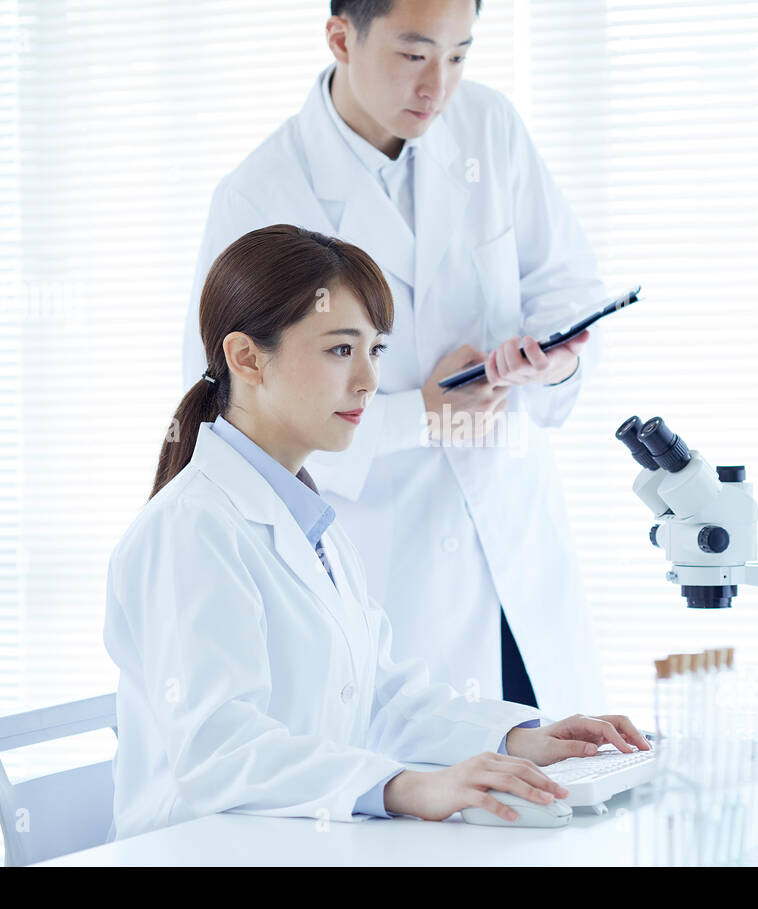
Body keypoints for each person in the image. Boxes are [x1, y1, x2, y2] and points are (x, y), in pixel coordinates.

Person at [106, 225, 647, 841]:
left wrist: (524, 740)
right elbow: (222, 751)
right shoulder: (189, 531)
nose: (368, 380)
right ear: (247, 358)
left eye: (376, 350)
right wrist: (409, 787)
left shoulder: (311, 523)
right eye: (341, 350)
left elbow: (381, 699)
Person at [182, 0, 608, 717]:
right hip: (388, 566)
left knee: (560, 778)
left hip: (515, 546)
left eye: (459, 55)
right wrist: (424, 415)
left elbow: (565, 282)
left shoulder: (488, 128)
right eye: (413, 55)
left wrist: (550, 362)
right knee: (428, 789)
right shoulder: (261, 194)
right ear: (341, 37)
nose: (437, 86)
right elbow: (243, 410)